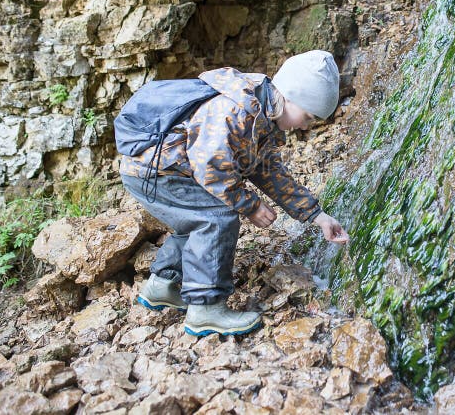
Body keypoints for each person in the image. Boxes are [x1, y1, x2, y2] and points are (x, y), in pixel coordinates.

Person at [119, 50, 349, 337]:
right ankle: (205, 311)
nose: (305, 125)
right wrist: (250, 206)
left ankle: (161, 286)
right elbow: (211, 167)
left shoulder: (262, 113)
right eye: (308, 116)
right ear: (291, 97)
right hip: (155, 172)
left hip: (164, 171)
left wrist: (318, 216)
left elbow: (270, 172)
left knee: (196, 222)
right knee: (217, 218)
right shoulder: (236, 109)